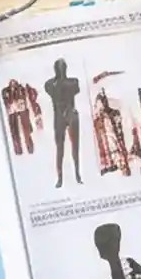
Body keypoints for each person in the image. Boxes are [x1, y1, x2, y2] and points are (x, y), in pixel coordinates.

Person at [45, 58, 82, 188]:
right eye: (59, 67)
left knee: (75, 147)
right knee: (60, 148)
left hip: (70, 114)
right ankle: (60, 177)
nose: (61, 70)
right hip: (59, 116)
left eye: (63, 67)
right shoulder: (50, 84)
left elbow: (74, 89)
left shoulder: (73, 82)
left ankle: (77, 174)